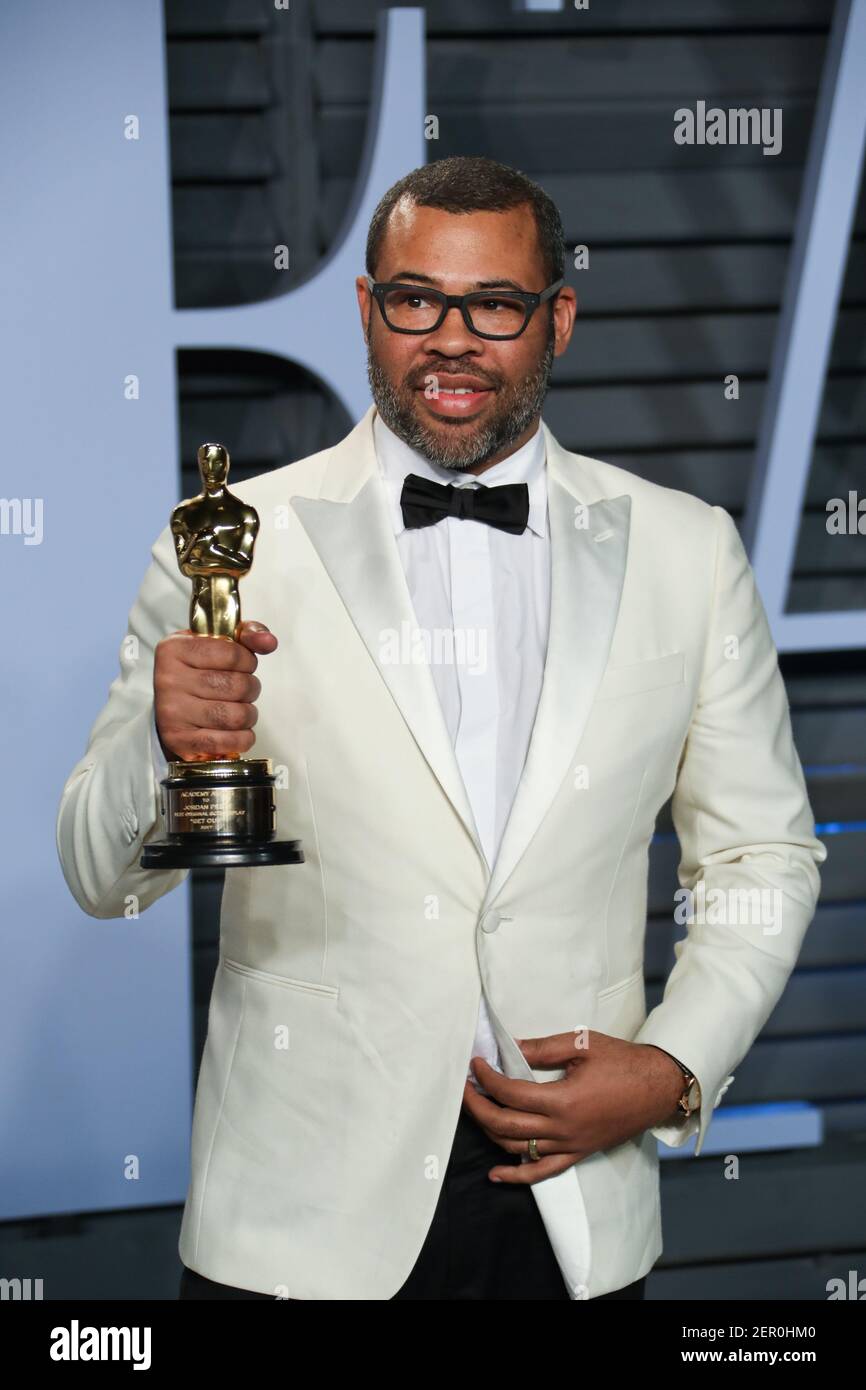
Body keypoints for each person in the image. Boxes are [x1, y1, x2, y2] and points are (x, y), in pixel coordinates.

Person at [56, 156, 826, 1301]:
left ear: (555, 317)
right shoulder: (228, 538)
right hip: (294, 1224)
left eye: (495, 306)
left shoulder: (686, 552)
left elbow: (762, 853)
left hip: (572, 1207)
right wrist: (161, 750)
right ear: (367, 309)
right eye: (415, 300)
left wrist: (672, 1066)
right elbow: (99, 878)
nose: (450, 339)